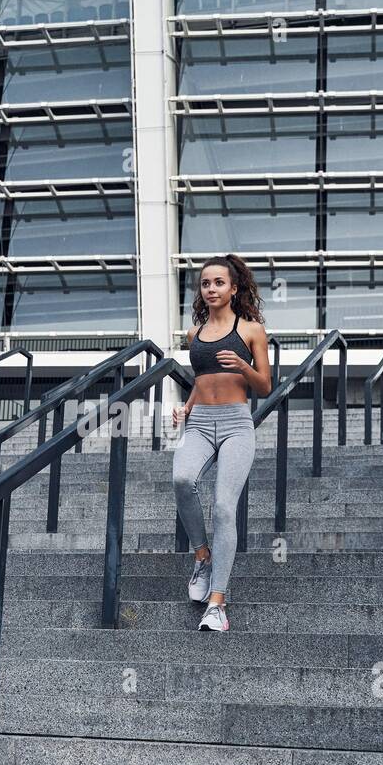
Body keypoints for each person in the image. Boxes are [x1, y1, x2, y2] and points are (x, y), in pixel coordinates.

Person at [171, 254, 272, 632]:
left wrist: (243, 365)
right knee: (182, 480)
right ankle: (202, 556)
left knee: (224, 507)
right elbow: (202, 378)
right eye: (205, 283)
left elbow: (265, 385)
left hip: (235, 424)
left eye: (218, 283)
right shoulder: (194, 335)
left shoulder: (251, 330)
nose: (211, 289)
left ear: (233, 288)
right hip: (200, 422)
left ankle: (217, 603)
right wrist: (187, 407)